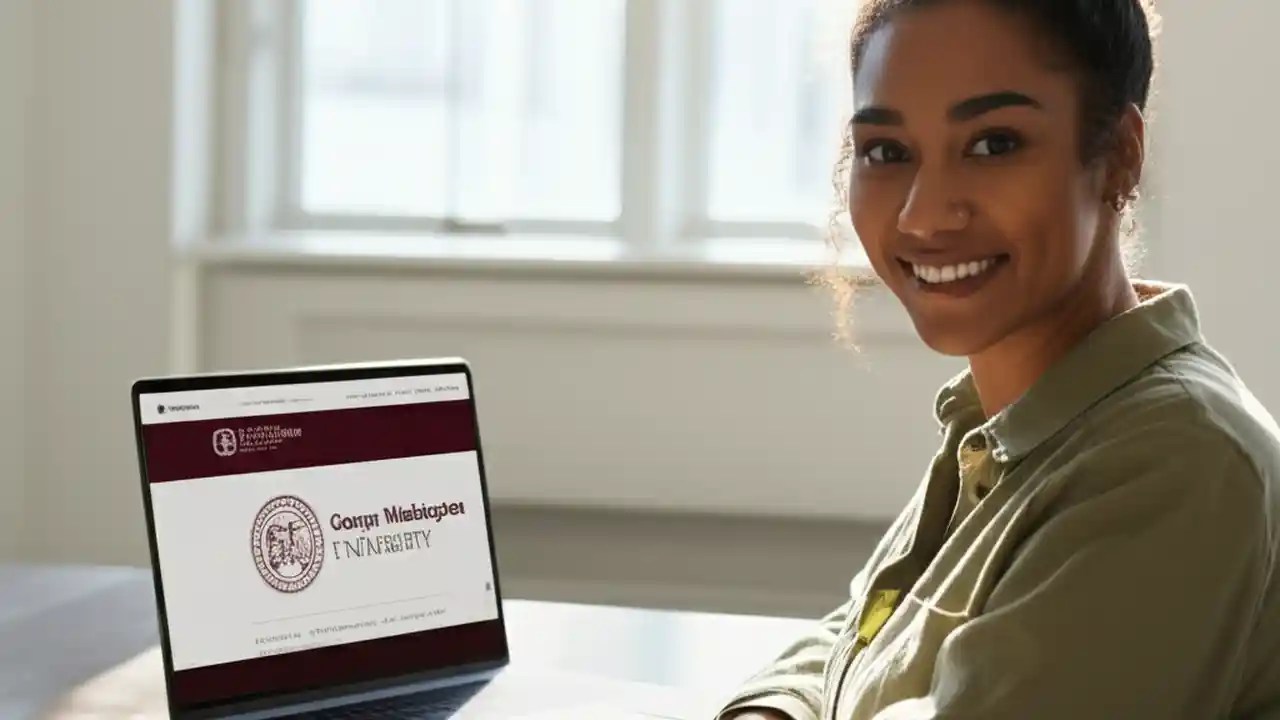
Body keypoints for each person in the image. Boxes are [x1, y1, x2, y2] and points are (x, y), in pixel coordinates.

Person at [715, 1, 1280, 718]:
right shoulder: (1013, 421)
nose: (923, 215)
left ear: (1120, 155)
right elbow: (860, 638)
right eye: (886, 151)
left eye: (993, 144)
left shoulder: (1177, 460)